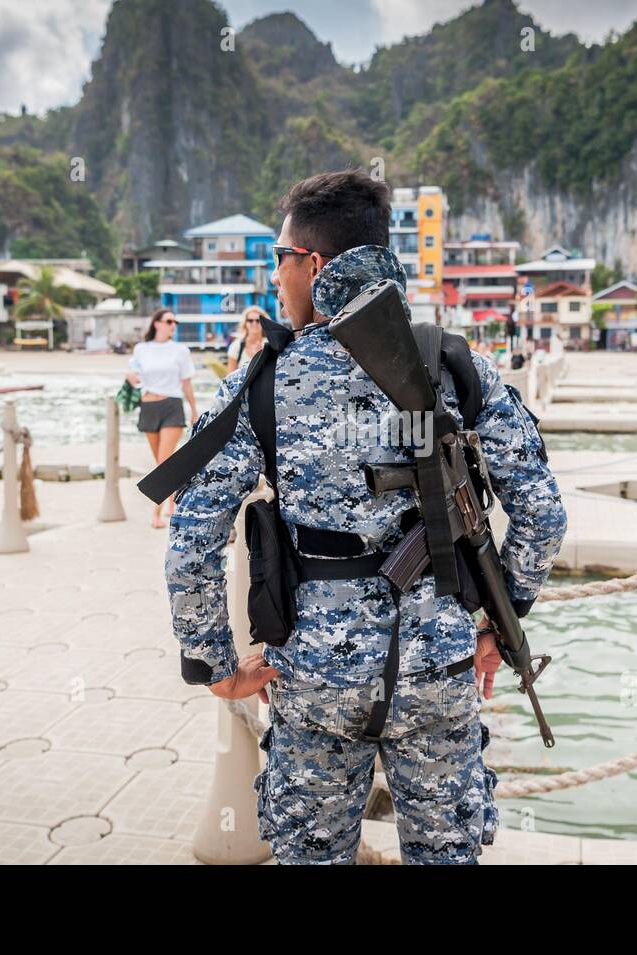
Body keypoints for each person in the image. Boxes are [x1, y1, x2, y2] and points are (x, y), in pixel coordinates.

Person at [163, 169, 567, 864]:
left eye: (280, 262)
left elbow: (192, 530)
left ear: (314, 265)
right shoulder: (453, 362)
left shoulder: (265, 380)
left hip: (315, 685)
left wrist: (215, 664)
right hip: (438, 677)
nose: (277, 281)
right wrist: (501, 622)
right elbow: (542, 513)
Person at [128, 309, 199, 527]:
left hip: (172, 405)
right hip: (149, 406)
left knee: (163, 462)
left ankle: (156, 513)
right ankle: (171, 501)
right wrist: (136, 382)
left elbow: (186, 382)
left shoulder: (180, 350)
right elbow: (132, 374)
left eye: (175, 322)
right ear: (156, 323)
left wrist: (194, 410)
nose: (173, 325)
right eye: (169, 321)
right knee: (162, 462)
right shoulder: (142, 349)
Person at [227, 305, 268, 373]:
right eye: (250, 320)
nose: (254, 323)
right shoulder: (236, 346)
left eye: (258, 320)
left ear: (264, 322)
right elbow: (230, 377)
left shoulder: (271, 344)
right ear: (245, 323)